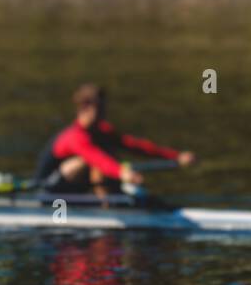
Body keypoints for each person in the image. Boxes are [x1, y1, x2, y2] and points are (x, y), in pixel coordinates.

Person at [35, 84, 195, 200]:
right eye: (101, 108)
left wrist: (176, 156)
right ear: (85, 108)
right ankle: (107, 205)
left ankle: (110, 200)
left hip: (79, 185)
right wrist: (122, 172)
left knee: (108, 154)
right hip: (50, 189)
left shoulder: (103, 130)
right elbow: (98, 159)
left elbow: (135, 146)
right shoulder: (74, 136)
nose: (105, 112)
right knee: (91, 162)